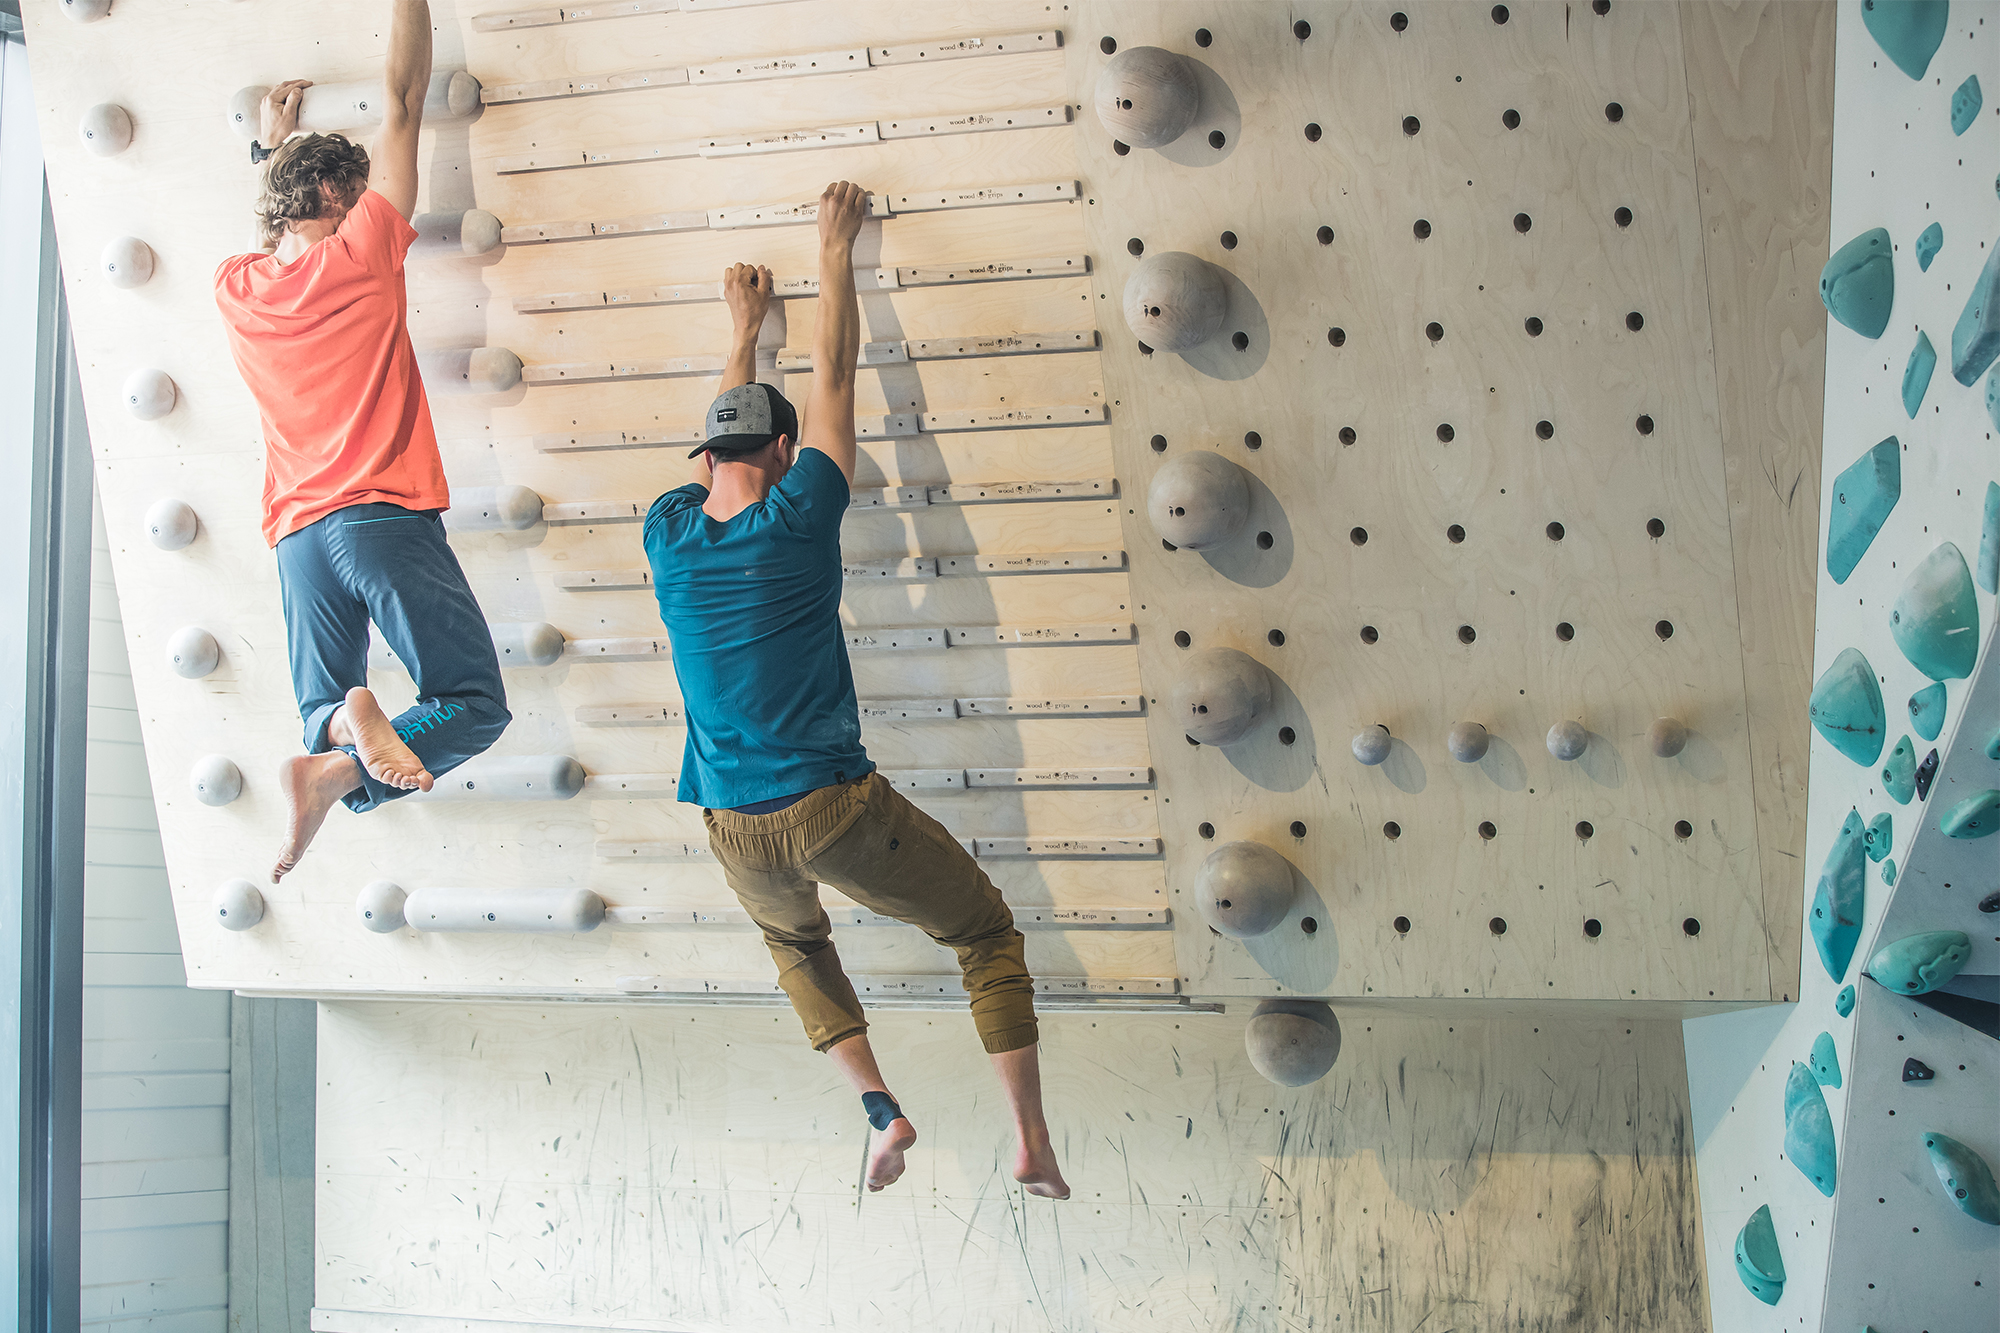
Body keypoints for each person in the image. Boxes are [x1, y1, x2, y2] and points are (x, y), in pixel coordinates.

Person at [642, 182, 1069, 1199]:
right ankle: (1030, 1141)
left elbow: (720, 443)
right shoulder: (800, 515)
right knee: (983, 936)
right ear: (785, 455)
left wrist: (742, 329)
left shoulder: (665, 531)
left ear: (702, 458)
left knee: (796, 946)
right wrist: (833, 249)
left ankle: (879, 1108)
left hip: (729, 820)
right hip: (832, 805)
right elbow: (834, 371)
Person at [213, 0, 509, 884]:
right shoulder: (367, 249)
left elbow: (270, 230)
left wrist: (270, 151)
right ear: (344, 202)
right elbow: (404, 97)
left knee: (317, 705)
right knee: (472, 705)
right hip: (379, 518)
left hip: (298, 537)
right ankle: (342, 770)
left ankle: (332, 749)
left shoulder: (237, 288)